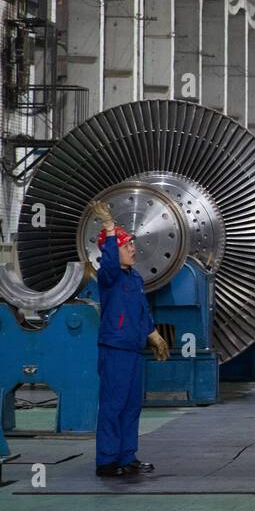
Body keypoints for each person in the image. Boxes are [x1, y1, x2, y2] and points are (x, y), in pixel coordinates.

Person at [90, 200, 169, 478]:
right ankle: (107, 461)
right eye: (127, 246)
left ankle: (127, 455)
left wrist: (154, 336)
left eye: (132, 245)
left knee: (132, 405)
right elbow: (110, 260)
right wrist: (110, 228)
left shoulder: (134, 278)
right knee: (113, 405)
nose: (133, 249)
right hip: (115, 350)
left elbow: (141, 311)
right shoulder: (108, 276)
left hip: (133, 350)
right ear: (113, 250)